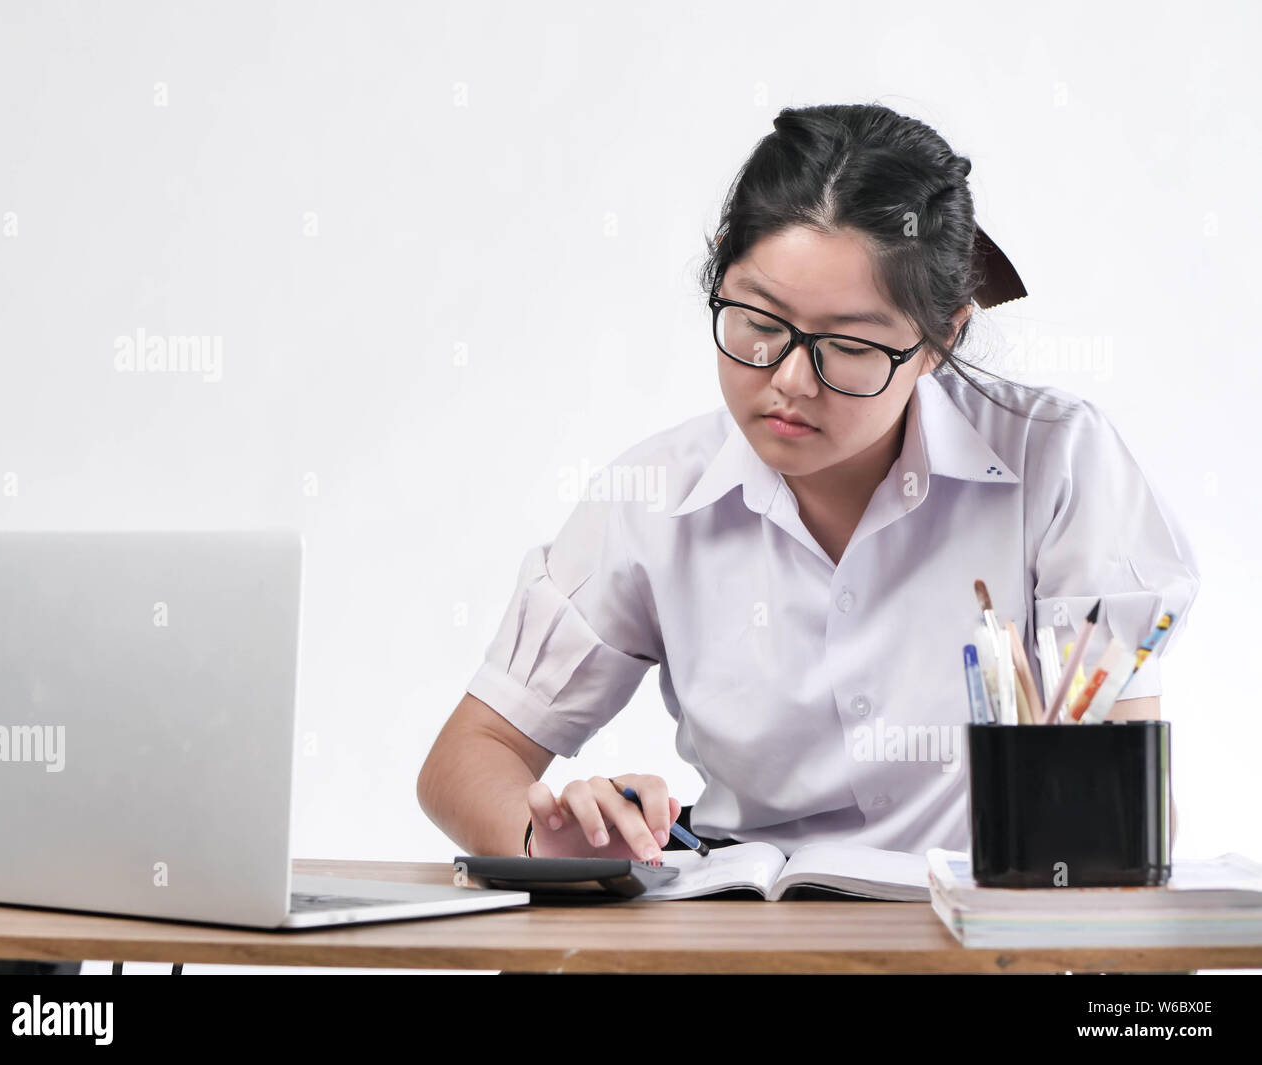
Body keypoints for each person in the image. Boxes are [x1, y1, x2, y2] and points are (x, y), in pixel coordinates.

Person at [417, 102, 1199, 863]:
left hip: (979, 935)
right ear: (722, 265)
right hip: (745, 931)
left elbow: (1125, 818)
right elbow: (467, 757)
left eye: (850, 345)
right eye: (759, 323)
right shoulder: (655, 498)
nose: (790, 380)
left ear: (941, 336)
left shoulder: (1055, 463)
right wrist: (547, 840)